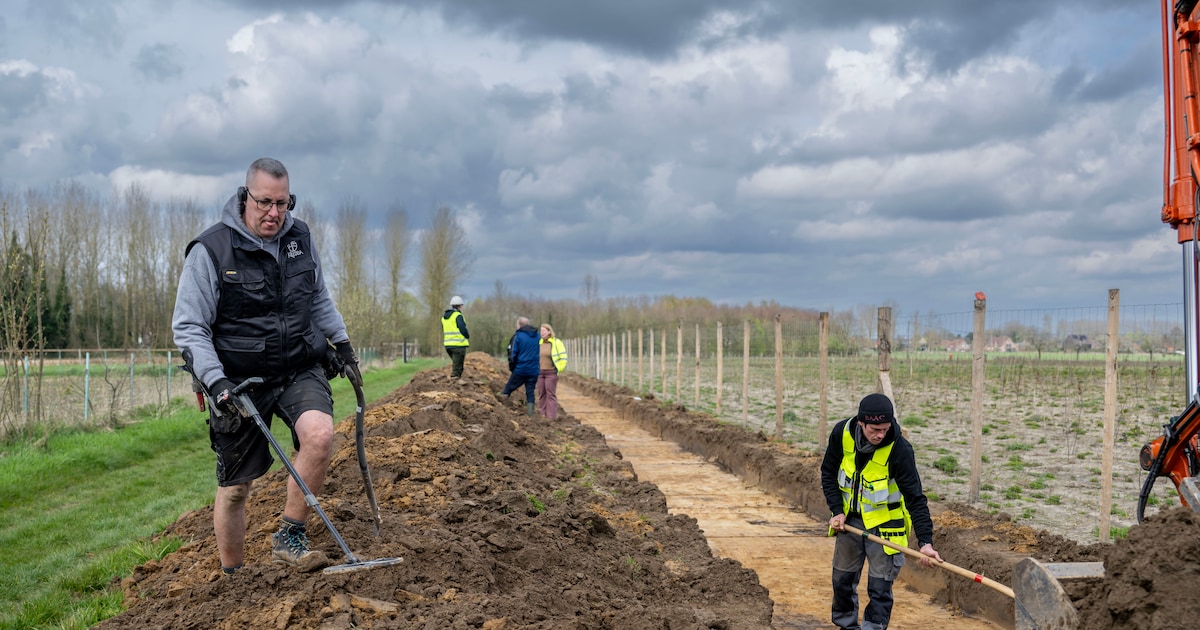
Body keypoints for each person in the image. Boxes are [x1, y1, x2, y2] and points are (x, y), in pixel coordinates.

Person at [173, 157, 361, 575]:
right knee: (237, 489)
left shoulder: (300, 238)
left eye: (283, 202)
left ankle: (290, 535)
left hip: (297, 365)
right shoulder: (212, 249)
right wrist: (214, 381)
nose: (275, 213)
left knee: (319, 435)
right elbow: (188, 327)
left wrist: (343, 344)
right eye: (265, 202)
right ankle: (234, 577)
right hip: (237, 380)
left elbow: (318, 298)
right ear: (245, 197)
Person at [820, 393, 942, 630]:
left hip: (886, 527)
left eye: (885, 429)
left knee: (879, 588)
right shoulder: (841, 433)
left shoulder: (900, 449)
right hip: (850, 523)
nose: (881, 435)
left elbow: (915, 499)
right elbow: (828, 472)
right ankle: (847, 625)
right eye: (875, 429)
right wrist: (837, 510)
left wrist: (925, 542)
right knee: (842, 581)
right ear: (861, 423)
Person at [499, 317, 540, 415]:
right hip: (534, 370)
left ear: (519, 325)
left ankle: (500, 410)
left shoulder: (518, 336)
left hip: (521, 369)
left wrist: (512, 367)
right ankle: (530, 414)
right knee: (530, 391)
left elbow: (513, 354)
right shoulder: (538, 336)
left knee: (508, 388)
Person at [536, 323, 568, 419]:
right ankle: (542, 415)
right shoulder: (538, 343)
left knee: (550, 394)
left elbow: (563, 357)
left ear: (549, 332)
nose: (542, 333)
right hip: (539, 373)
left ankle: (551, 417)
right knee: (541, 394)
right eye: (541, 331)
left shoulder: (556, 342)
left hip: (551, 372)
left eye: (544, 331)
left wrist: (558, 369)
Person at [442, 295, 470, 378]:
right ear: (460, 305)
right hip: (458, 345)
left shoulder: (444, 317)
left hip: (448, 345)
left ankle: (455, 383)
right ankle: (455, 385)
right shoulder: (458, 316)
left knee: (456, 365)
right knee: (457, 369)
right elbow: (462, 328)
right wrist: (467, 335)